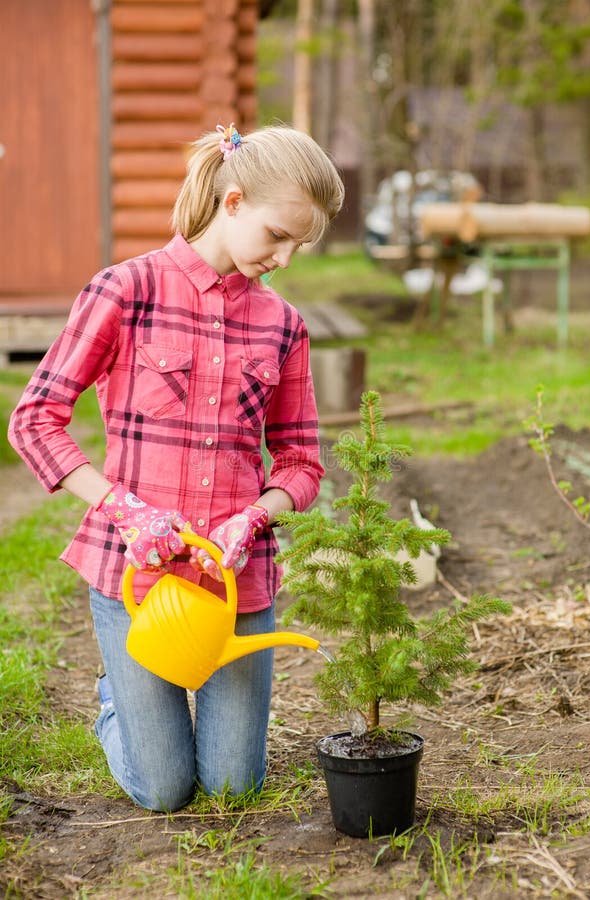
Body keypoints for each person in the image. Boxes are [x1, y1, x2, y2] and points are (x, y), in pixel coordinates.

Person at [8, 123, 345, 812]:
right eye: (277, 235)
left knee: (231, 787)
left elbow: (302, 460)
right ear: (231, 201)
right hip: (137, 581)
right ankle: (119, 699)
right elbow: (34, 420)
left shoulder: (283, 326)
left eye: (298, 246)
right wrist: (124, 510)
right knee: (163, 791)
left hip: (233, 586)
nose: (283, 258)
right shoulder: (124, 291)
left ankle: (151, 704)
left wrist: (258, 513)